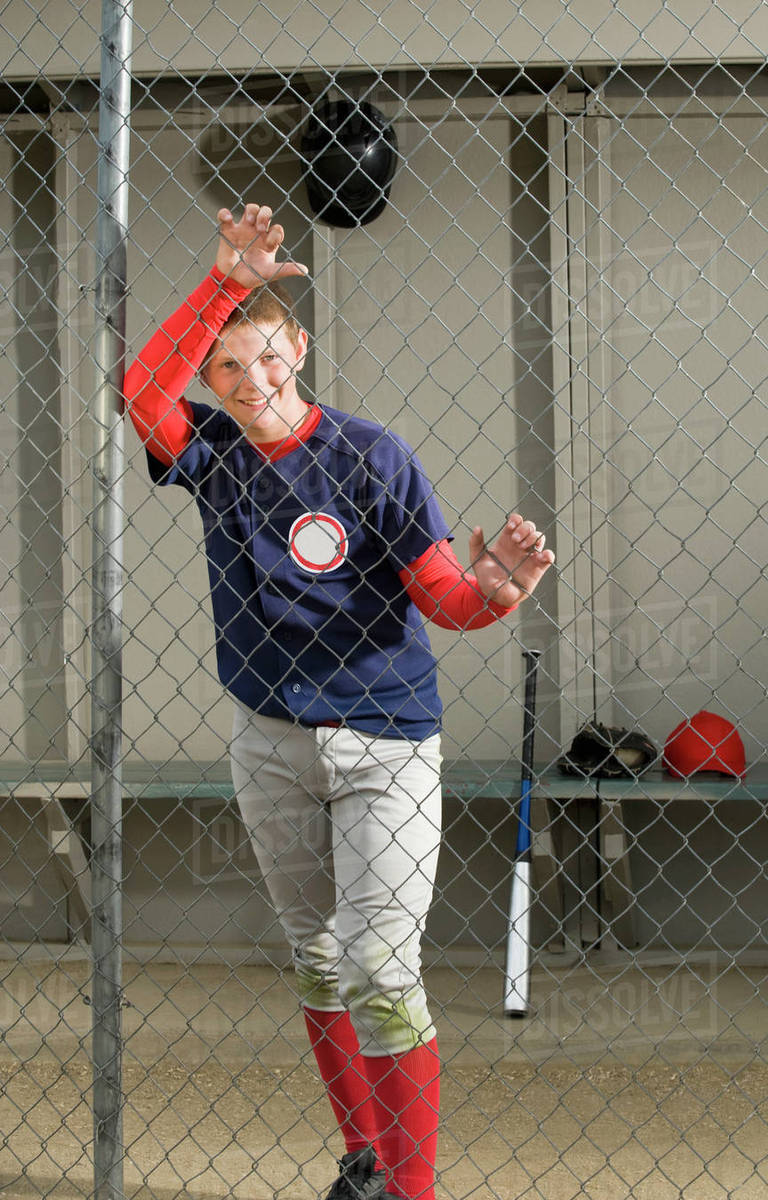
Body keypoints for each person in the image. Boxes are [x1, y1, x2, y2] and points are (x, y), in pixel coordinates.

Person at [123, 202, 555, 1200]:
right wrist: (226, 285)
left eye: (268, 358)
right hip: (269, 741)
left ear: (301, 347)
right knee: (318, 961)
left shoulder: (373, 455)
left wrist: (492, 597)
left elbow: (443, 595)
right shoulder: (215, 455)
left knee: (379, 969)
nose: (253, 382)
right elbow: (142, 390)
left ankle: (412, 1189)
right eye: (228, 369)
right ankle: (365, 1158)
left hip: (386, 744)